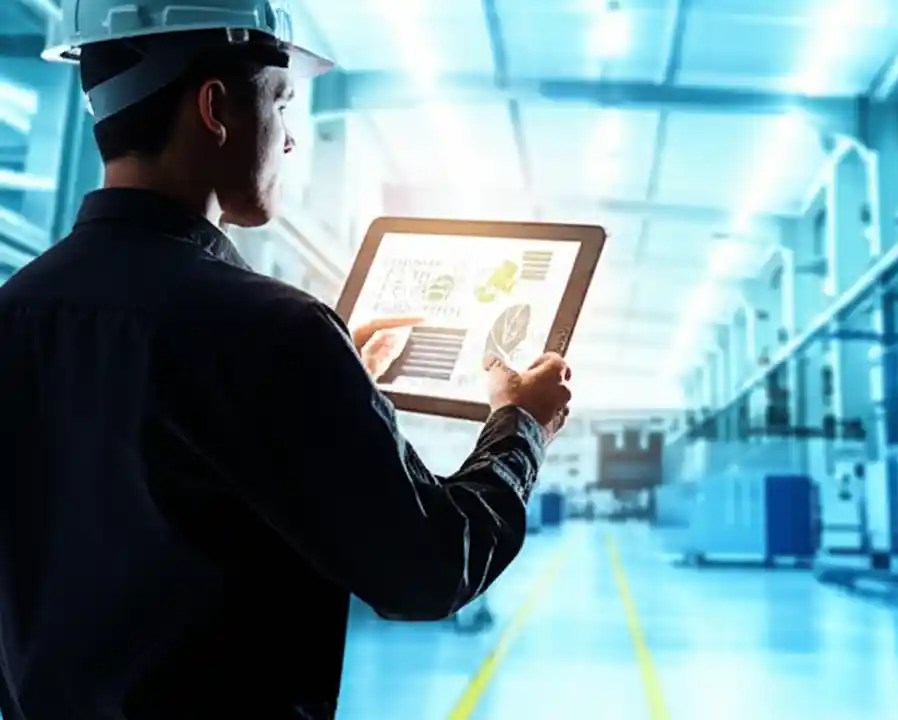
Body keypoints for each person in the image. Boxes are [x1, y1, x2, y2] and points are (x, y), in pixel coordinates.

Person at [0, 1, 572, 718]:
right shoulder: (277, 335)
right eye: (282, 101)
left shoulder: (15, 313)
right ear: (215, 109)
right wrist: (521, 425)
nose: (292, 140)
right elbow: (431, 566)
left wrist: (340, 380)